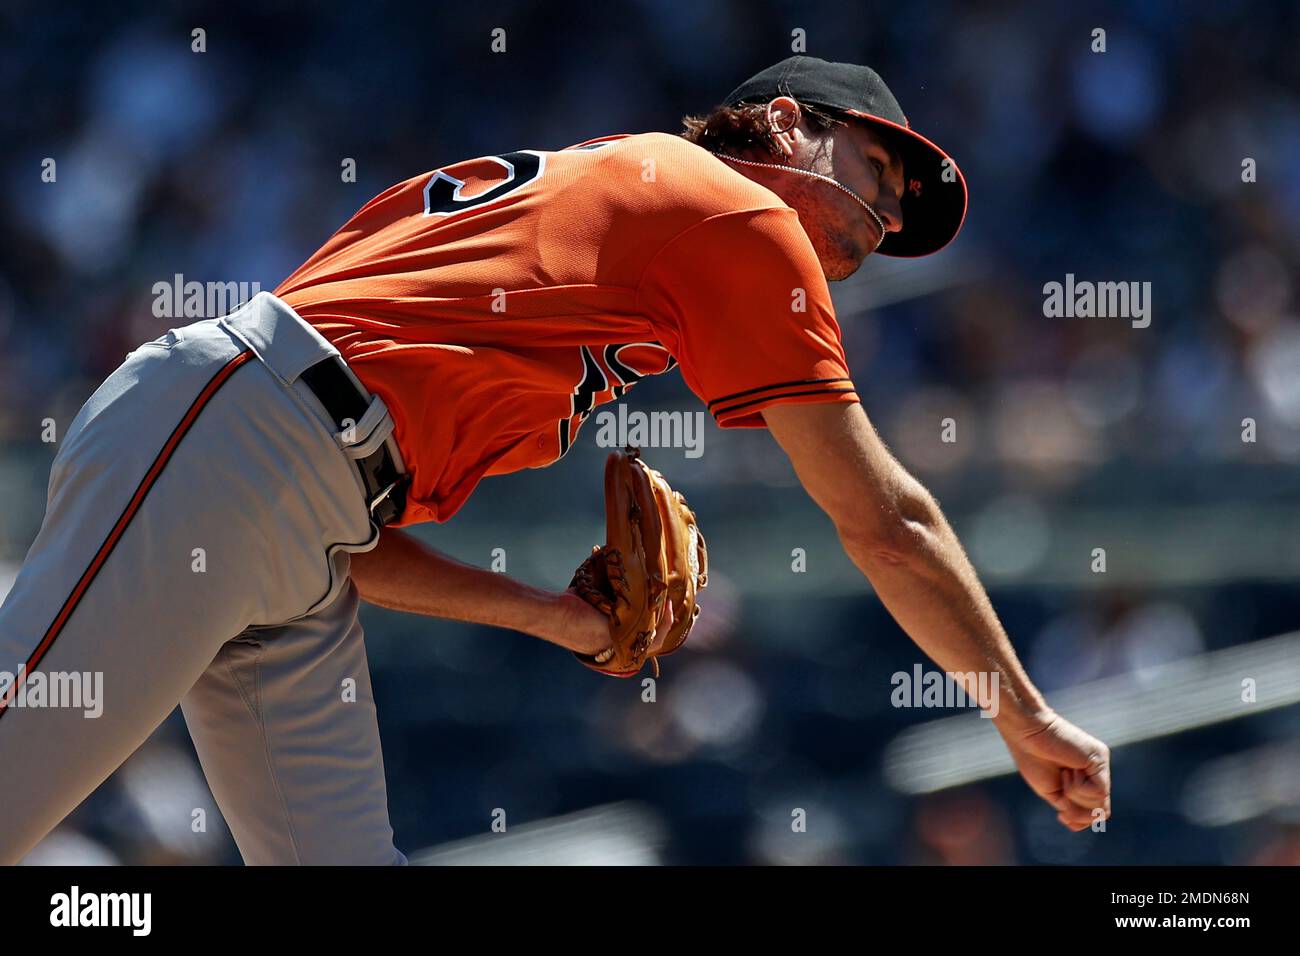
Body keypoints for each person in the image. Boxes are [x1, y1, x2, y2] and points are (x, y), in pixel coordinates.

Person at [0, 55, 1110, 865]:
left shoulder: (607, 230)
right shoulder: (734, 213)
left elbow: (352, 540)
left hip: (276, 481)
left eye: (899, 216)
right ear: (786, 123)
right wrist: (1017, 710)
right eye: (875, 170)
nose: (880, 220)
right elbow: (885, 521)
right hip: (233, 438)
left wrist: (559, 617)